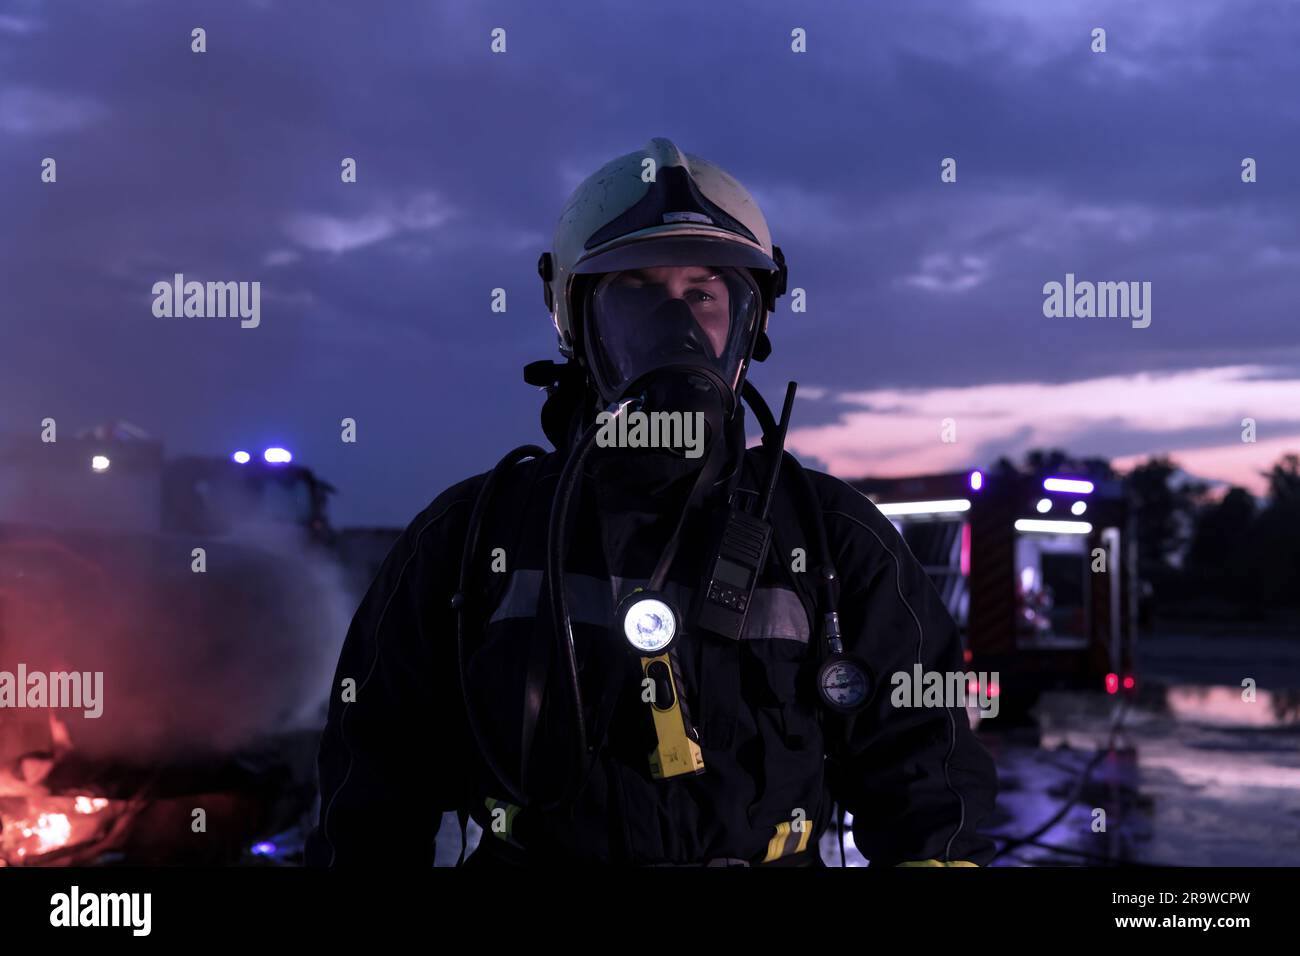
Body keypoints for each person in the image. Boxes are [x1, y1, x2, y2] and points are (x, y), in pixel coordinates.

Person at [306, 138, 997, 867]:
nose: (677, 330)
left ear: (749, 324)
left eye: (702, 295)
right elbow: (371, 787)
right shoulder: (472, 538)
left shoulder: (833, 538)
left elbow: (930, 778)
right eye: (635, 294)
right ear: (575, 321)